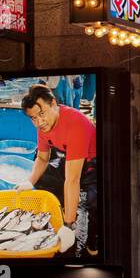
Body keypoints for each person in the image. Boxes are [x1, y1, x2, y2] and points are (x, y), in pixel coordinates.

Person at [19, 85, 98, 256]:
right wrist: (29, 181)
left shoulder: (75, 124)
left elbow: (72, 180)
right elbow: (42, 158)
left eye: (41, 114)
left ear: (53, 103)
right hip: (69, 156)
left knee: (96, 203)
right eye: (33, 118)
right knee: (42, 179)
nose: (39, 122)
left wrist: (69, 226)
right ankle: (61, 213)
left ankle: (92, 242)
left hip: (94, 162)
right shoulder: (43, 126)